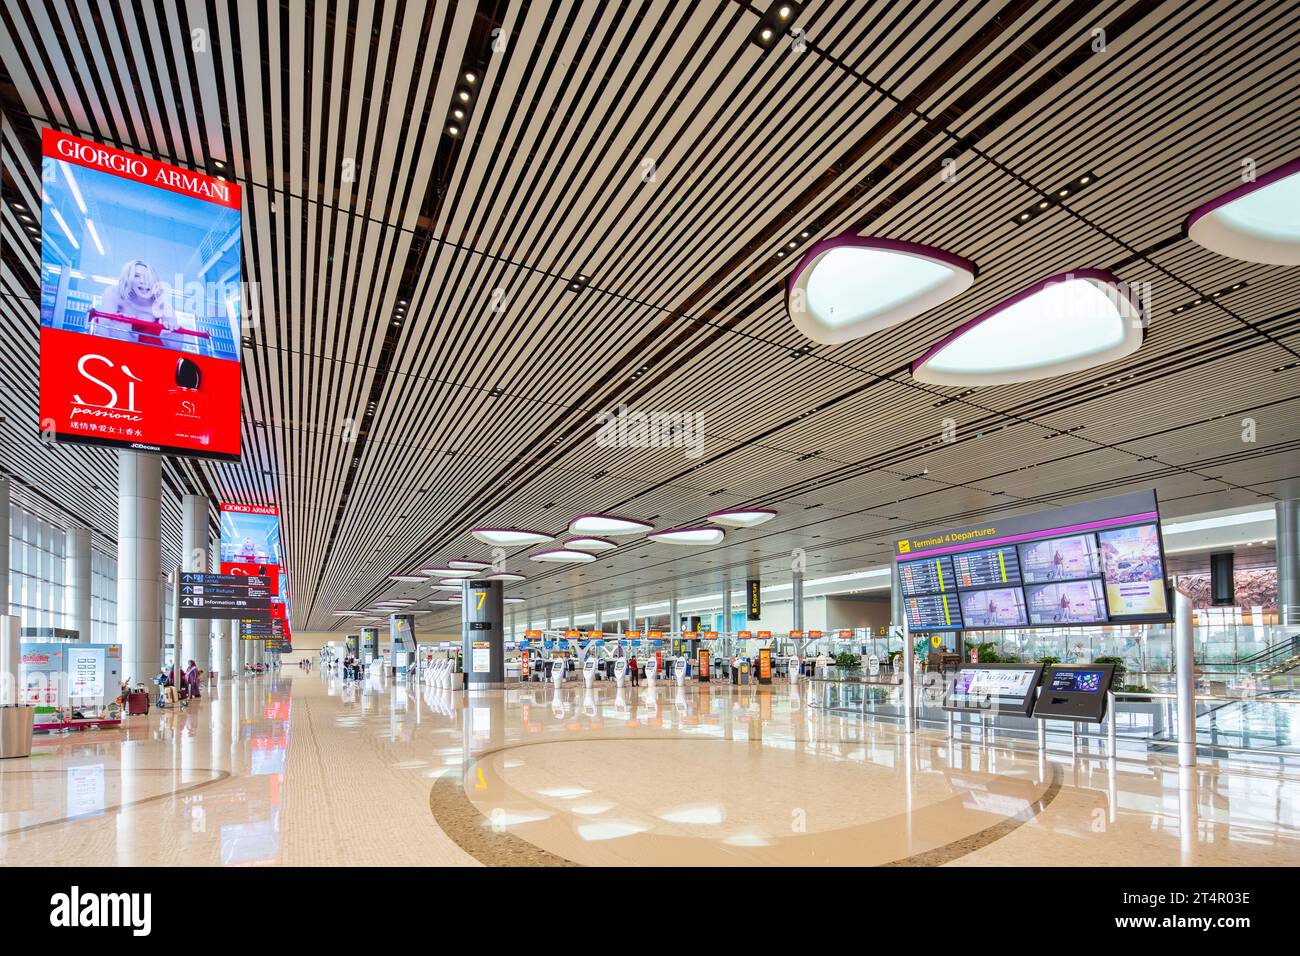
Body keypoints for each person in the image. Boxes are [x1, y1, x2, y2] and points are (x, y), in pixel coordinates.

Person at [95, 259, 178, 343]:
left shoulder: (163, 306)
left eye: (148, 277)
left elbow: (175, 342)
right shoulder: (114, 293)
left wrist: (169, 335)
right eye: (136, 276)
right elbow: (103, 327)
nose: (143, 281)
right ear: (127, 279)